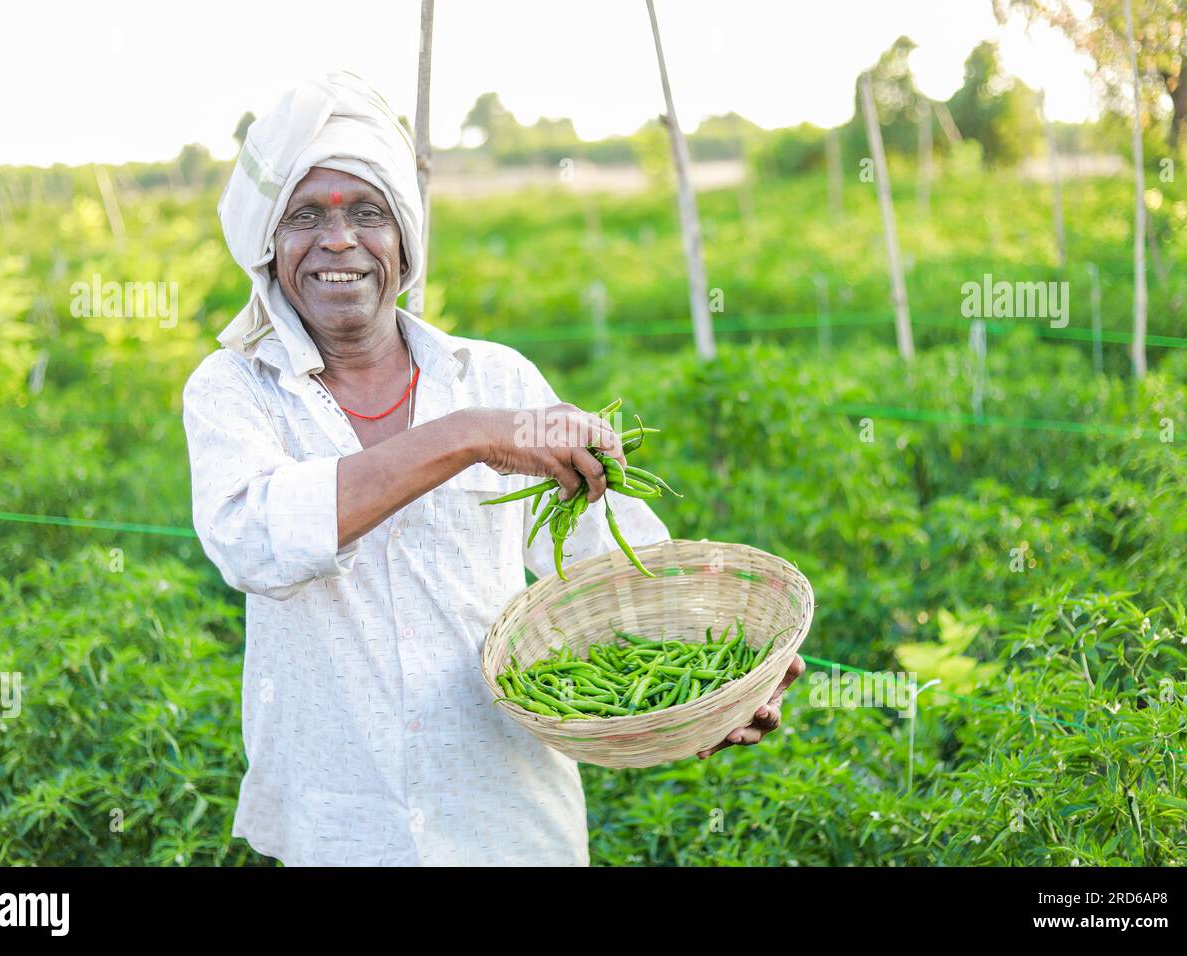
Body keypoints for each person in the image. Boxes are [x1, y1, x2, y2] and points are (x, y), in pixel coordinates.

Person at [183, 71, 803, 866]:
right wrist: (467, 438)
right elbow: (254, 539)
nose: (338, 239)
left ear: (403, 239)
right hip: (342, 826)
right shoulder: (236, 390)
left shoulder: (498, 380)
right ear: (271, 243)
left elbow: (603, 575)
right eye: (306, 216)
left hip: (507, 817)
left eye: (366, 213)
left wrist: (711, 683)